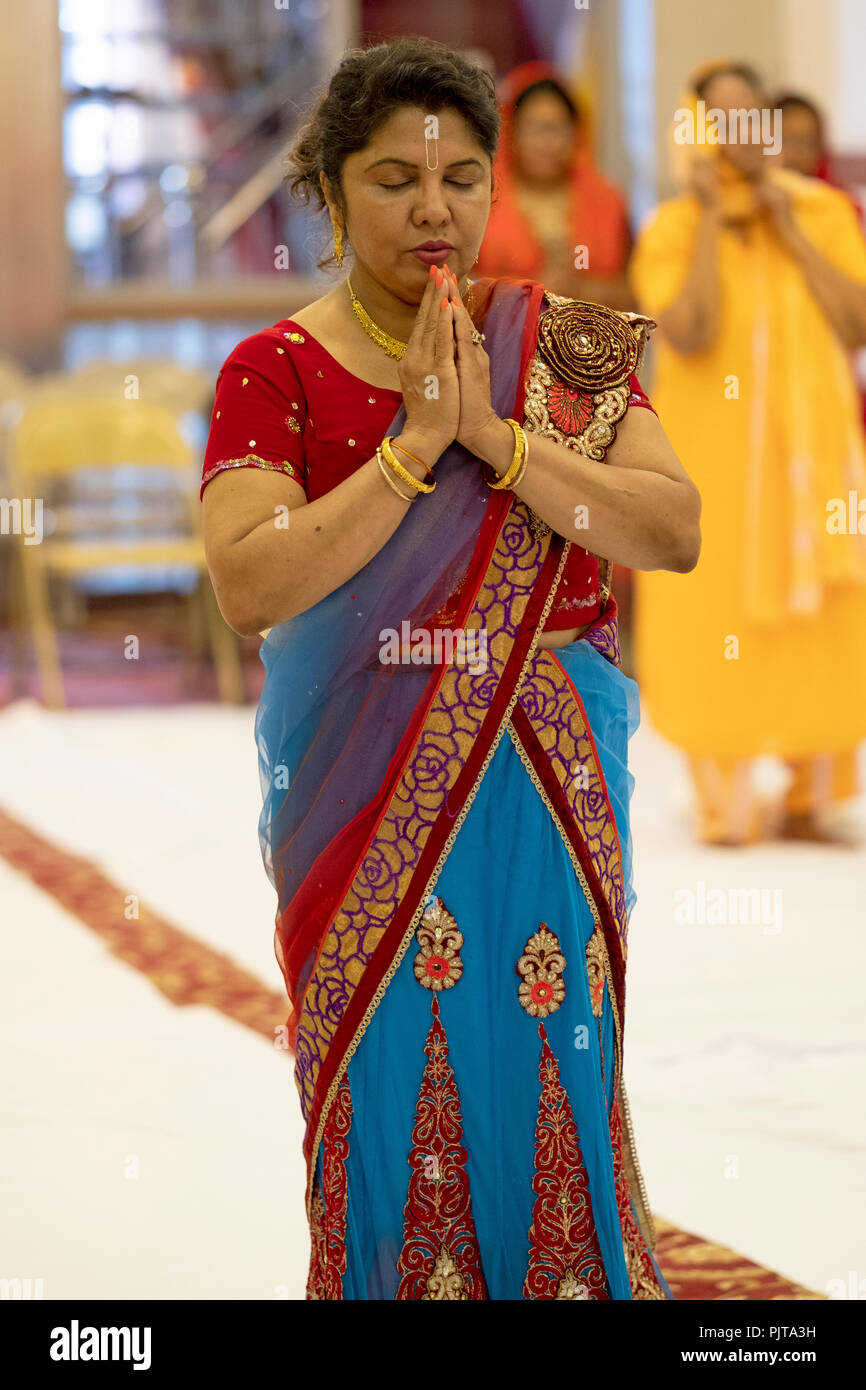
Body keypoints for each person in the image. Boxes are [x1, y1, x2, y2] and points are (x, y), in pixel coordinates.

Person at [201, 36, 700, 1300]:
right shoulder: (279, 372)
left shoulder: (564, 351)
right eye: (391, 179)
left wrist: (494, 437)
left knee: (556, 1060)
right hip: (361, 814)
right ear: (326, 187)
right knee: (382, 1080)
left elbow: (668, 528)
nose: (434, 208)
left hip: (551, 791)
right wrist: (413, 452)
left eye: (461, 178)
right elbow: (251, 581)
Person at [630, 61, 866, 845]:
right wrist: (705, 214)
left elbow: (856, 322)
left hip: (812, 471)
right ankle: (721, 799)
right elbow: (689, 331)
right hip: (715, 466)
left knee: (827, 620)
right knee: (712, 612)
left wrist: (786, 223)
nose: (742, 135)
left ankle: (812, 790)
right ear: (698, 128)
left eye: (752, 117)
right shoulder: (671, 227)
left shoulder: (824, 210)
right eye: (722, 119)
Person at [475, 61, 633, 308]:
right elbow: (463, 286)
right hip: (499, 342)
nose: (547, 143)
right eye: (534, 128)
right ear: (510, 131)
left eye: (558, 128)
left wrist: (580, 288)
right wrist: (536, 289)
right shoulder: (481, 197)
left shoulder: (606, 200)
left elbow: (636, 291)